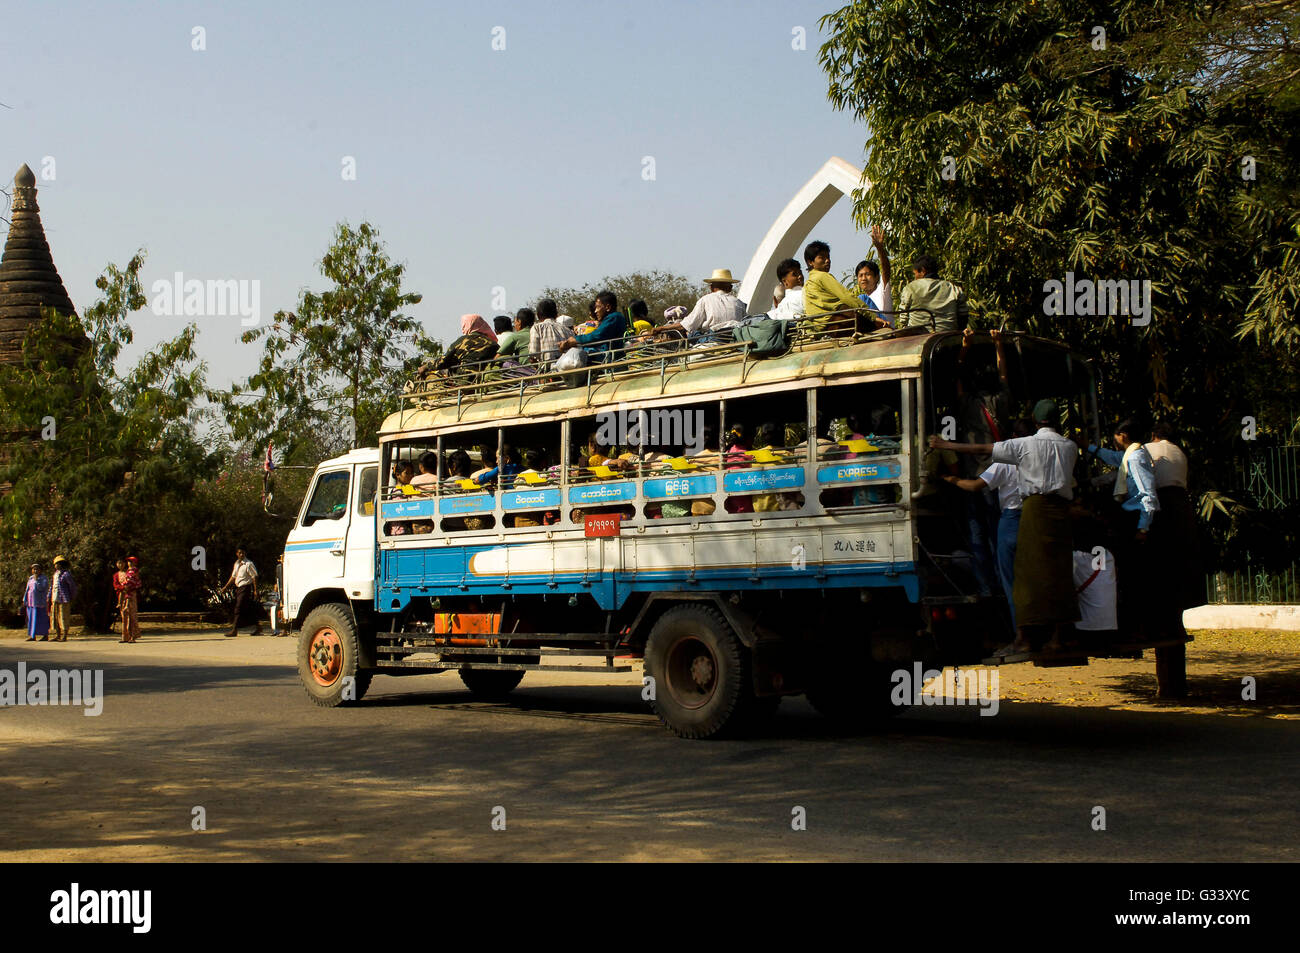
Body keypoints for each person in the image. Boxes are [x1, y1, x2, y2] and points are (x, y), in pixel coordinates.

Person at [931, 399, 1079, 655]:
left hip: (1033, 510)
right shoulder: (1070, 446)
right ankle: (1058, 637)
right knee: (1058, 574)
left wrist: (947, 446)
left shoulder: (1024, 445)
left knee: (1022, 578)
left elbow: (982, 447)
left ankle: (1023, 637)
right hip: (1061, 513)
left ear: (1036, 420)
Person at [943, 418, 1032, 630]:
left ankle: (1020, 633)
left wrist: (949, 479)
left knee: (1009, 579)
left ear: (1013, 439)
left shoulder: (1005, 461)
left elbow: (975, 486)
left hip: (1010, 518)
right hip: (1034, 517)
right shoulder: (1042, 457)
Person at [1144, 420, 1205, 639]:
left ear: (1153, 435)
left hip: (1162, 506)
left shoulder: (1147, 449)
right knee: (1179, 565)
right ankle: (1176, 622)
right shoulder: (1180, 452)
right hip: (1182, 506)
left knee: (1159, 564)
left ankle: (1158, 622)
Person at [802, 240, 887, 335]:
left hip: (824, 329)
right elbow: (847, 296)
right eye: (822, 258)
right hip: (837, 322)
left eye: (828, 257)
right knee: (882, 327)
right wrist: (873, 316)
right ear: (810, 262)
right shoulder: (822, 276)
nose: (827, 261)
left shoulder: (807, 283)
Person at [657, 269, 746, 342]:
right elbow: (745, 323)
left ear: (711, 287)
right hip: (735, 339)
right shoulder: (739, 302)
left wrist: (661, 328)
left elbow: (686, 325)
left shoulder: (705, 300)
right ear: (730, 288)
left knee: (692, 334)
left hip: (713, 339)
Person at [897, 254, 969, 331]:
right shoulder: (953, 288)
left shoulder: (910, 288)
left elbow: (903, 318)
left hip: (918, 338)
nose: (915, 277)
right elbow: (963, 317)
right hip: (948, 337)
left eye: (915, 273)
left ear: (922, 271)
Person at [559, 290, 627, 361]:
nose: (595, 311)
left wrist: (575, 340)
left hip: (614, 359)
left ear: (608, 307)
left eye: (598, 307)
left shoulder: (614, 317)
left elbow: (597, 335)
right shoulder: (613, 318)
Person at [855, 225, 894, 324]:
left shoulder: (882, 290)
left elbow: (886, 270)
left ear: (877, 277)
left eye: (868, 274)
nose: (864, 278)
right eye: (860, 275)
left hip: (886, 331)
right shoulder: (859, 300)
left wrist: (880, 248)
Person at [219, 548, 262, 638]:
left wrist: (255, 590)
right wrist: (226, 587)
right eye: (239, 553)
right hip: (238, 588)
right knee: (246, 609)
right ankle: (258, 626)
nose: (241, 554)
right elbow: (233, 577)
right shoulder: (237, 564)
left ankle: (234, 630)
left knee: (238, 608)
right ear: (237, 554)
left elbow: (254, 577)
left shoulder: (248, 564)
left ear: (245, 553)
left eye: (243, 553)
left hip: (245, 588)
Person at [529, 298, 567, 369]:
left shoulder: (537, 328)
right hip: (567, 368)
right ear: (556, 314)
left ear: (538, 315)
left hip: (548, 371)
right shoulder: (566, 329)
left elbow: (533, 356)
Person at [48, 555, 77, 641]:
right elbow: (52, 586)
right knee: (55, 617)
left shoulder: (66, 574)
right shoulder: (55, 574)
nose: (56, 565)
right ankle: (58, 635)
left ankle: (64, 635)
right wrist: (49, 596)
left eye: (58, 564)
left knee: (63, 617)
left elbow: (72, 586)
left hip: (64, 599)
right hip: (55, 598)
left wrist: (72, 596)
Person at [23, 563, 50, 642]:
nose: (35, 571)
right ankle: (32, 635)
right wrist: (25, 599)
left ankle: (45, 635)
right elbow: (27, 589)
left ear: (40, 570)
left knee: (41, 619)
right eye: (34, 569)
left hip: (40, 603)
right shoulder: (30, 578)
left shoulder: (43, 578)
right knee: (31, 619)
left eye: (37, 569)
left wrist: (36, 580)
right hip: (31, 603)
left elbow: (42, 588)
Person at [120, 556, 142, 643]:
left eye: (131, 562)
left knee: (131, 615)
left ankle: (133, 636)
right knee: (125, 615)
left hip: (131, 593)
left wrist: (125, 586)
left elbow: (131, 582)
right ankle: (126, 636)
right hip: (126, 593)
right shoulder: (128, 571)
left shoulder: (133, 571)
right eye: (129, 561)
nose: (129, 563)